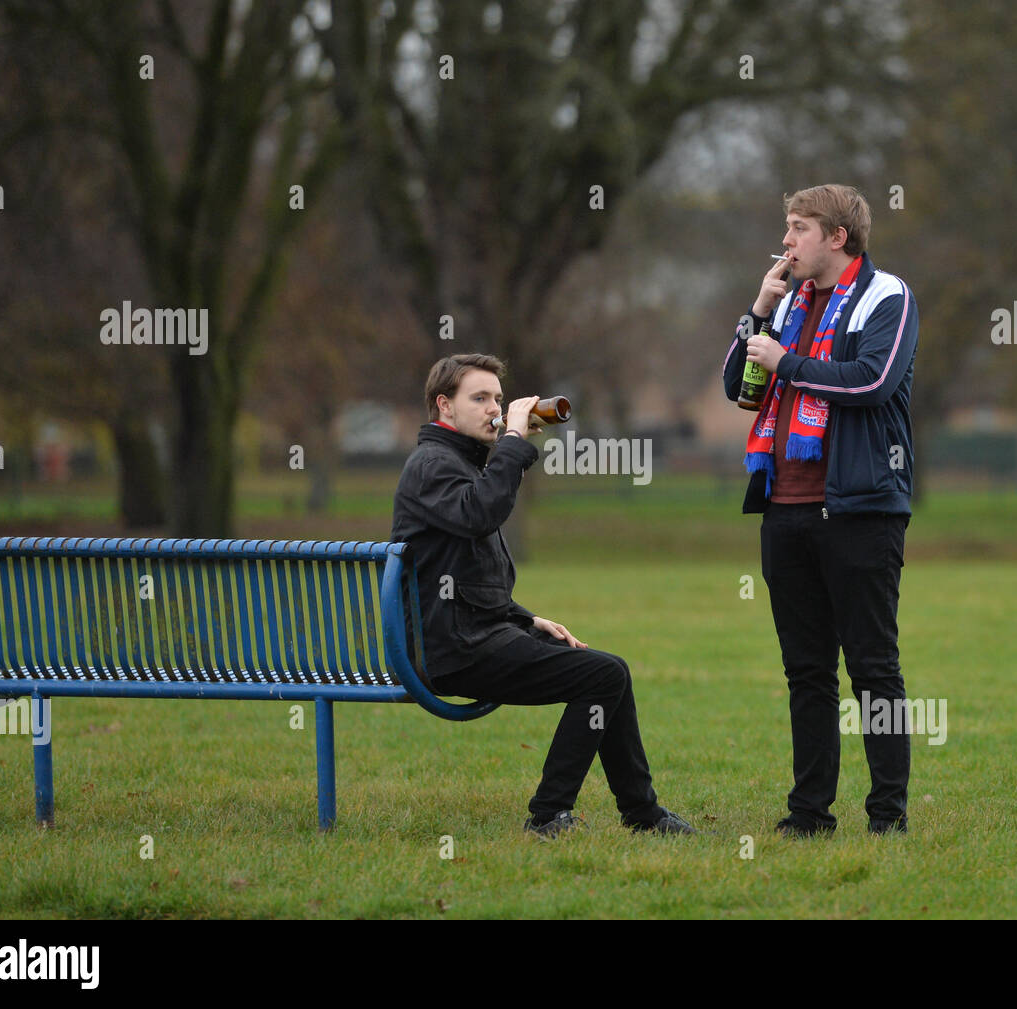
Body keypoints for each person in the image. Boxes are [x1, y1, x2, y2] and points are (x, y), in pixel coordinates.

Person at [390, 353, 694, 838]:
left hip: (465, 634)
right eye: (480, 398)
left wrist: (524, 619)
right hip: (448, 650)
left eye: (498, 398)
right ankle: (551, 815)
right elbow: (479, 515)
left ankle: (642, 814)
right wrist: (511, 440)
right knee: (602, 675)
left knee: (607, 672)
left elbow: (456, 574)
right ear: (444, 406)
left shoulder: (457, 464)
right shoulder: (433, 465)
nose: (495, 407)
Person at [722, 185, 920, 837]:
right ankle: (809, 814)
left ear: (838, 237)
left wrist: (790, 361)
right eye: (786, 227)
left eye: (799, 228)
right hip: (784, 510)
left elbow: (872, 379)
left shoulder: (885, 294)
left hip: (861, 510)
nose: (786, 241)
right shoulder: (786, 303)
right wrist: (758, 312)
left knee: (872, 665)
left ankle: (887, 814)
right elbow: (739, 388)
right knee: (806, 670)